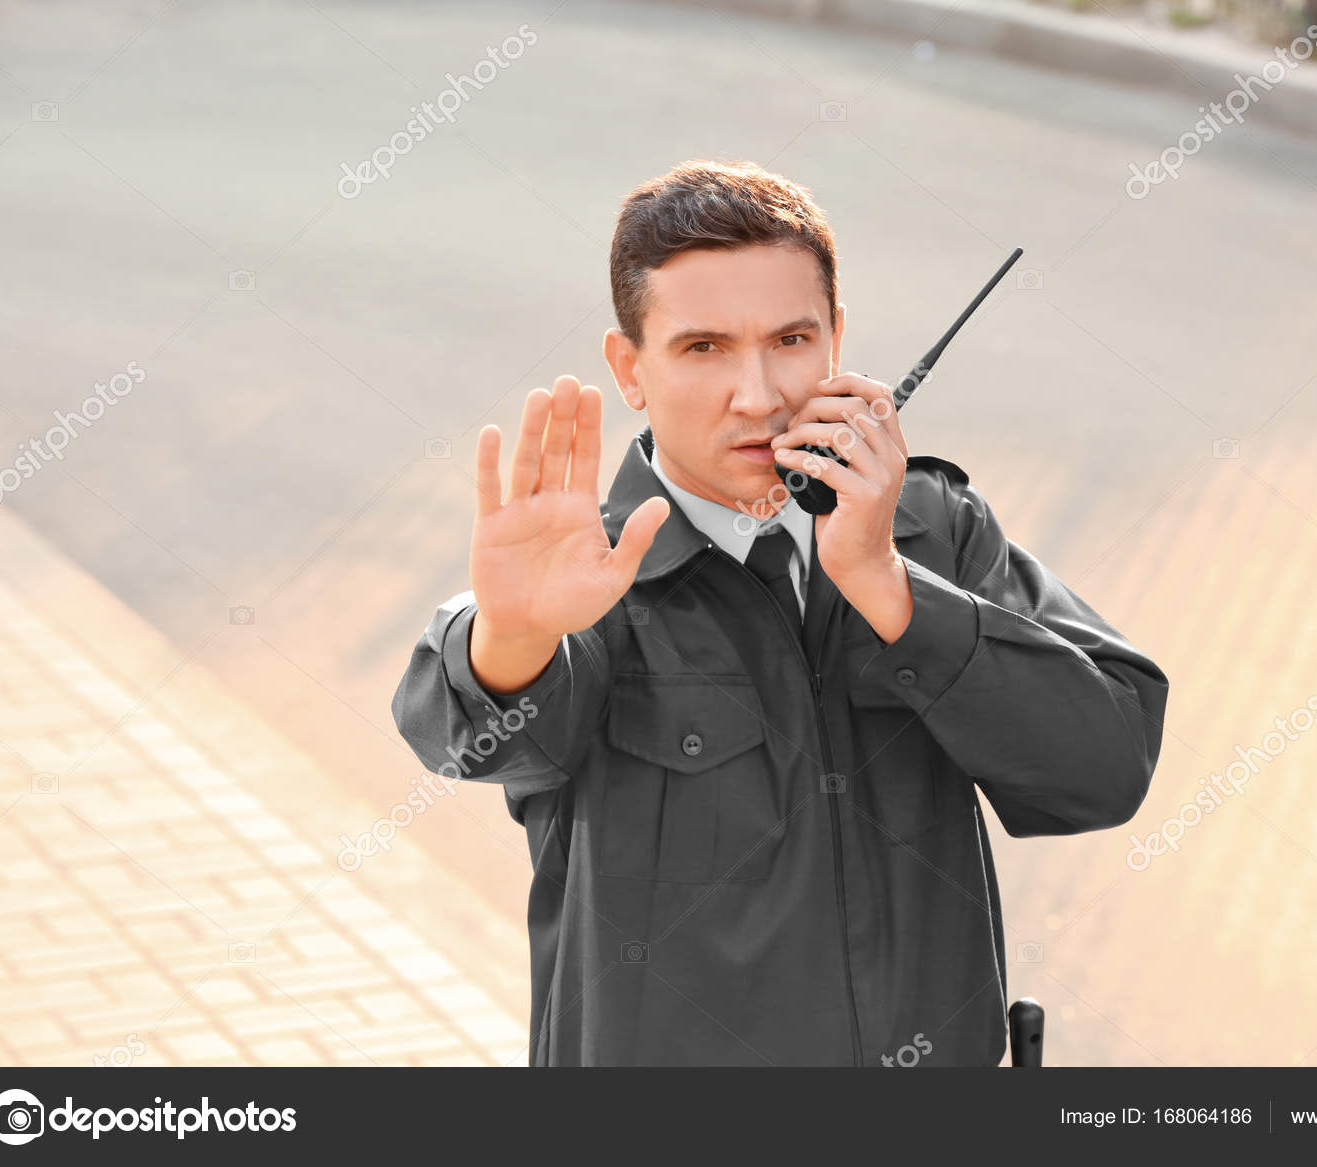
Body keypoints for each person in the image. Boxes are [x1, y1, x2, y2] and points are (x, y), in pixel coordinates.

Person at [391, 159, 1168, 1066]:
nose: (758, 396)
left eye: (792, 340)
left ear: (838, 338)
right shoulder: (593, 574)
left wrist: (889, 587)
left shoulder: (931, 529)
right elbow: (466, 735)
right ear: (629, 367)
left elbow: (1104, 769)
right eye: (703, 347)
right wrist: (516, 634)